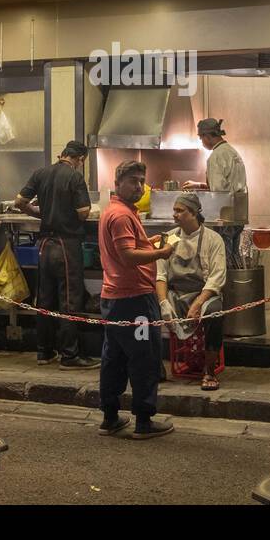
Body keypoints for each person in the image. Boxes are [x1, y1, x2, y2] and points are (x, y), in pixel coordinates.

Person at [98, 160, 176, 439]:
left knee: (114, 357)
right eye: (133, 180)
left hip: (114, 298)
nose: (138, 186)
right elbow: (127, 256)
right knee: (145, 358)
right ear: (118, 183)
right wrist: (161, 253)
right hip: (135, 300)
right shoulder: (121, 215)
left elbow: (130, 247)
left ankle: (110, 418)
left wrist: (148, 242)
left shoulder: (117, 211)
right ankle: (143, 421)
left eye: (141, 181)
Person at [16, 141, 97, 369]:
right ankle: (70, 356)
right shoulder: (74, 177)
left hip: (44, 245)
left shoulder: (41, 173)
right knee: (70, 299)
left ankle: (44, 352)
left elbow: (19, 201)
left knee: (44, 299)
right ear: (80, 159)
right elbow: (83, 213)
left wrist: (37, 213)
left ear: (62, 154)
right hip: (66, 245)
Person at [156, 192, 227, 391]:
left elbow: (217, 278)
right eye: (174, 211)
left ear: (194, 212)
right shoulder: (168, 238)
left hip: (203, 294)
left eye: (180, 211)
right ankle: (155, 367)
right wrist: (163, 302)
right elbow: (160, 275)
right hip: (175, 294)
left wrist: (197, 304)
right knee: (145, 312)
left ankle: (209, 371)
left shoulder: (213, 239)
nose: (175, 215)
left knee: (215, 314)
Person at [182, 117, 247, 193]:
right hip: (238, 203)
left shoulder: (215, 157)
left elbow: (217, 192)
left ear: (207, 137)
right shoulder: (232, 151)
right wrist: (198, 185)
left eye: (201, 138)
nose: (202, 142)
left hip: (225, 204)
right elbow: (225, 186)